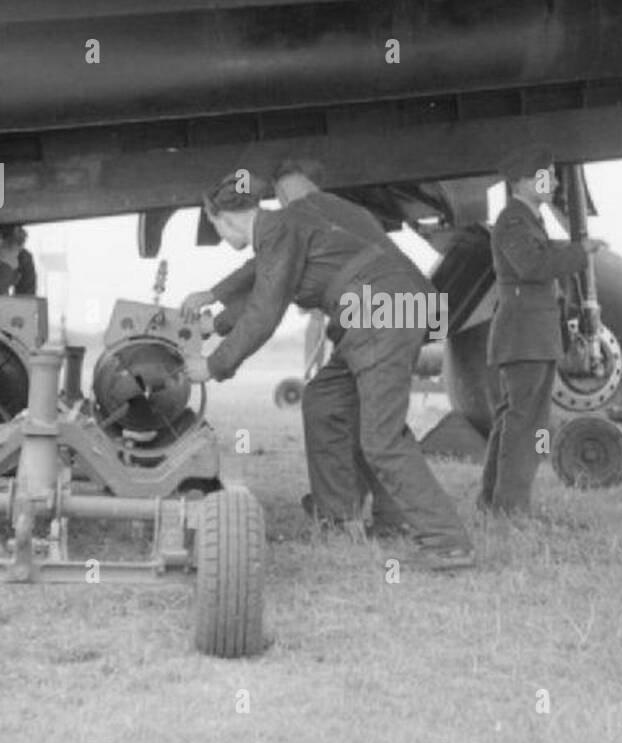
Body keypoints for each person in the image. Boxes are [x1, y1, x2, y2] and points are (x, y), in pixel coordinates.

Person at [181, 167, 475, 570]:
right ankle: (343, 519)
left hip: (377, 314)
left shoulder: (281, 230)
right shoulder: (296, 220)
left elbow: (266, 307)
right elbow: (263, 275)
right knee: (324, 401)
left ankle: (447, 541)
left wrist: (214, 365)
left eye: (216, 228)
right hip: (390, 309)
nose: (220, 237)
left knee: (381, 437)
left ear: (224, 217)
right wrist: (213, 307)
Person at [479, 144, 605, 516]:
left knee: (514, 421)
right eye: (542, 174)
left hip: (531, 336)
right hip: (525, 337)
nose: (550, 181)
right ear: (520, 181)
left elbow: (540, 261)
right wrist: (580, 251)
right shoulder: (514, 220)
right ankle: (511, 507)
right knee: (526, 424)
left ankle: (495, 502)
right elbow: (532, 266)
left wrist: (576, 250)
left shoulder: (527, 219)